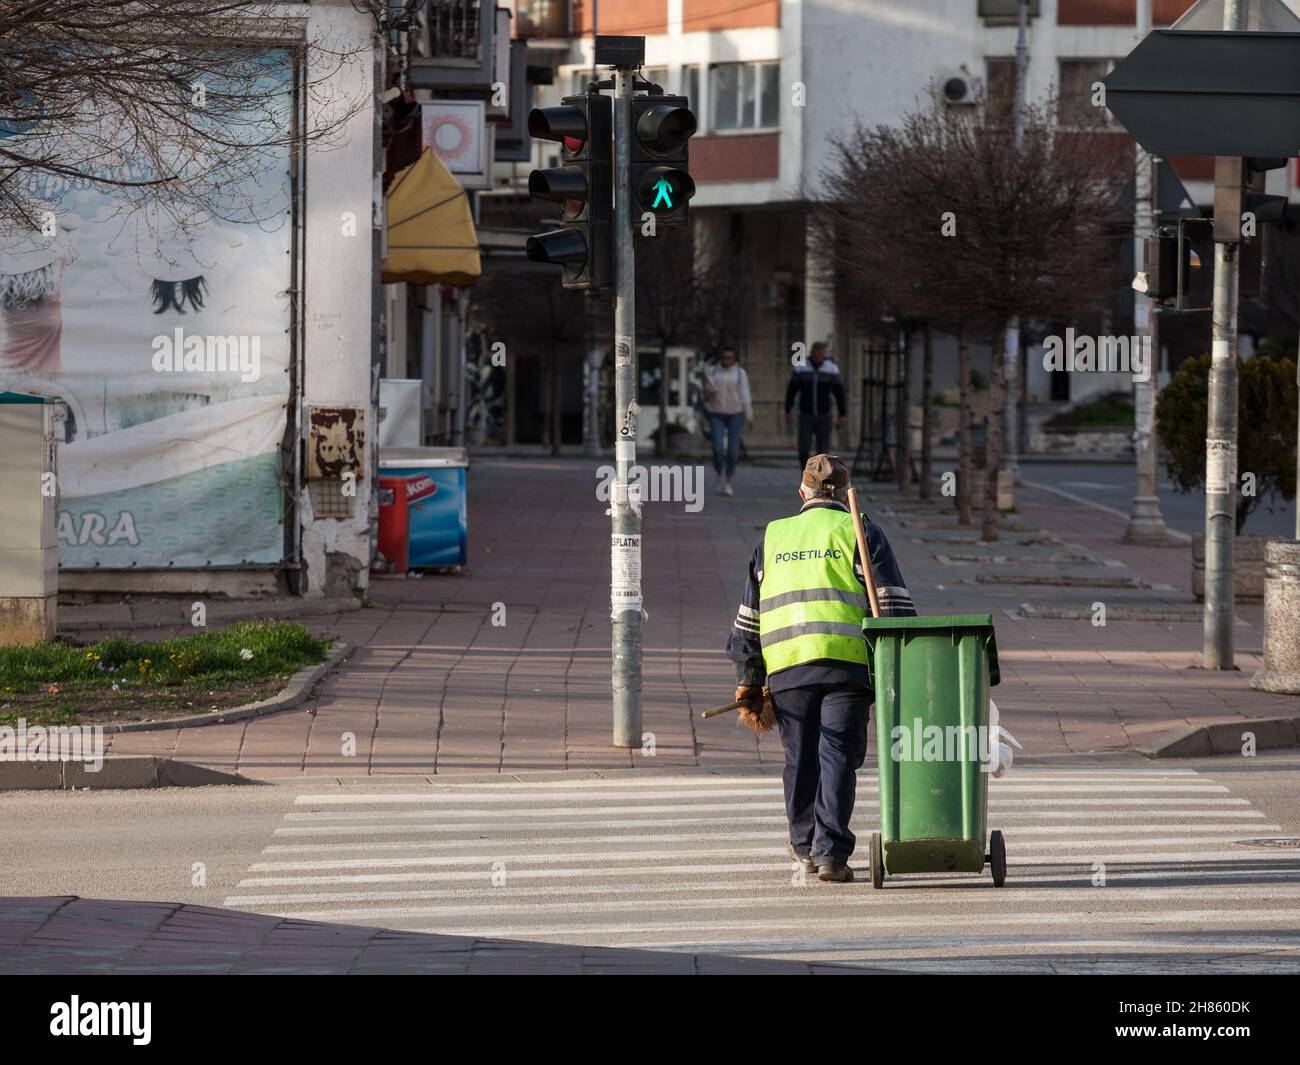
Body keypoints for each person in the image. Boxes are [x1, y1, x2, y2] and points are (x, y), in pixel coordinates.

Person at [725, 454, 915, 882]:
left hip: (789, 667)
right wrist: (898, 663)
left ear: (802, 493)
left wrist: (749, 679)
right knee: (838, 755)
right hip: (848, 667)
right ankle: (831, 854)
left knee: (800, 756)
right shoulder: (861, 532)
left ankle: (802, 844)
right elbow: (894, 606)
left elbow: (748, 618)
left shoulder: (773, 536)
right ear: (845, 494)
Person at [784, 342, 847, 468]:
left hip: (824, 414)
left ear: (824, 355)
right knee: (804, 448)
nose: (817, 358)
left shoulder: (831, 369)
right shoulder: (801, 368)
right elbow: (791, 390)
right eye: (815, 355)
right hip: (805, 414)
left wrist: (842, 414)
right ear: (811, 354)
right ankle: (805, 472)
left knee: (823, 451)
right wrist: (787, 410)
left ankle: (819, 478)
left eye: (820, 356)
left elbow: (839, 393)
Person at [701, 345, 752, 496]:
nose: (727, 360)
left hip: (736, 414)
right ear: (720, 357)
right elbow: (707, 392)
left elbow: (745, 395)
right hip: (716, 413)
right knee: (717, 448)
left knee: (732, 450)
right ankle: (719, 474)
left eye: (730, 357)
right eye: (724, 357)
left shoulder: (740, 374)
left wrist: (749, 416)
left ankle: (728, 480)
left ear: (735, 359)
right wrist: (707, 386)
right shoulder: (713, 371)